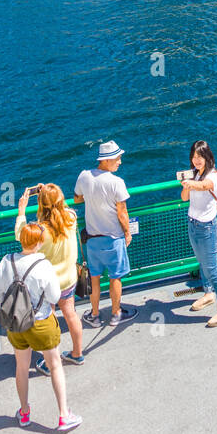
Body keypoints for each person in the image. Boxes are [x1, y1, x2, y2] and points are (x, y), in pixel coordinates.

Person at [0, 222, 82, 432]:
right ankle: (63, 415)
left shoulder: (6, 262)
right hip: (41, 322)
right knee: (55, 365)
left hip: (15, 323)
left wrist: (12, 312)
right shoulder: (43, 265)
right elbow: (54, 296)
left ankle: (24, 412)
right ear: (39, 242)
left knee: (21, 368)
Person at [15, 184, 84, 374]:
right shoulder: (71, 218)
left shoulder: (40, 231)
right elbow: (62, 208)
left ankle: (51, 361)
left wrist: (22, 211)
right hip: (68, 279)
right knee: (71, 314)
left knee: (49, 320)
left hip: (47, 285)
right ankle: (77, 354)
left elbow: (21, 236)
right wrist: (50, 192)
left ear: (41, 205)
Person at [74, 140, 138, 327]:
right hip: (113, 238)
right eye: (117, 159)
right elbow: (122, 213)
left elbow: (77, 198)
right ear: (107, 160)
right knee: (115, 277)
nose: (120, 162)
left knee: (94, 278)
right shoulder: (117, 182)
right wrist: (127, 233)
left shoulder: (84, 176)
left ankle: (94, 315)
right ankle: (116, 313)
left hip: (93, 240)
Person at [180, 140, 217, 327]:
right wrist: (186, 185)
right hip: (193, 224)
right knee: (202, 262)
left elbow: (204, 186)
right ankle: (208, 293)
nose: (196, 160)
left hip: (208, 228)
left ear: (207, 157)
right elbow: (184, 197)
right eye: (194, 157)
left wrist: (191, 183)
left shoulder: (213, 176)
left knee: (212, 269)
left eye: (200, 157)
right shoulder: (195, 174)